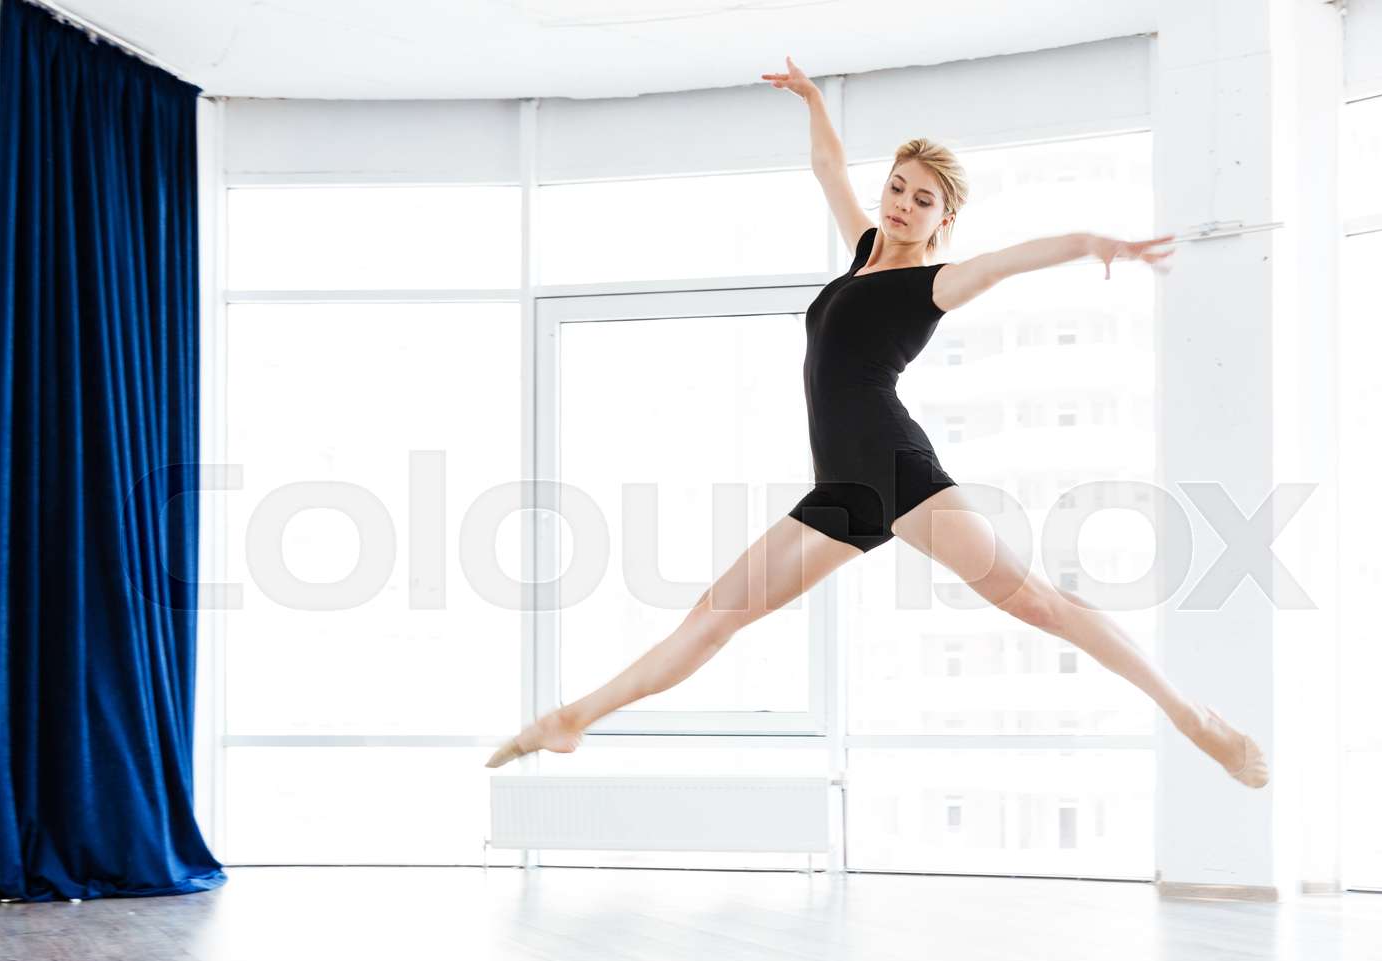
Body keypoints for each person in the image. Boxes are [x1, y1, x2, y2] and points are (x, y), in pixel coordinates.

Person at [486, 56, 1268, 790]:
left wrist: (1091, 243)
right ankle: (570, 720)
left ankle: (1191, 716)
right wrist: (813, 99)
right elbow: (829, 169)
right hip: (839, 490)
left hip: (897, 472)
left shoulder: (935, 283)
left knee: (1037, 603)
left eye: (922, 200)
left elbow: (1010, 260)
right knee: (714, 616)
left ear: (943, 217)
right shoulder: (863, 251)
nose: (901, 204)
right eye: (897, 187)